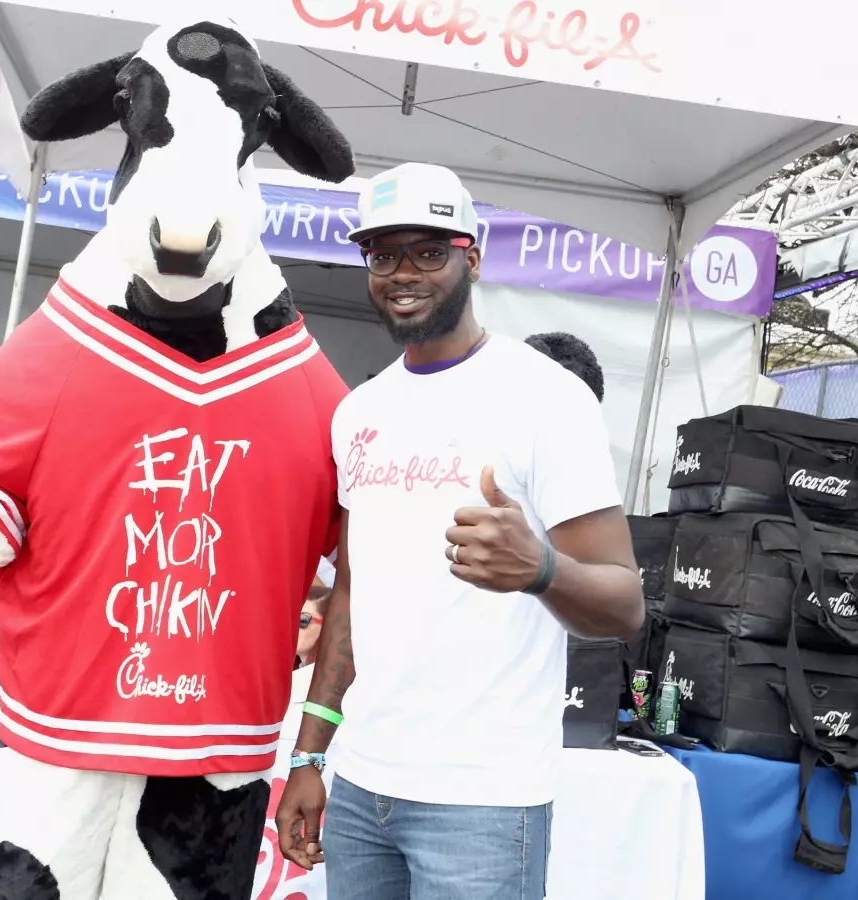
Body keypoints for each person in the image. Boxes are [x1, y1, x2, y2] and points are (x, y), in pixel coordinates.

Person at [275, 162, 645, 900]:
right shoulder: (360, 412)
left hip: (483, 799)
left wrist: (541, 568)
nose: (402, 274)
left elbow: (625, 603)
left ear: (472, 256)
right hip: (360, 788)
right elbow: (353, 591)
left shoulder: (548, 398)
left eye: (427, 252)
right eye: (383, 255)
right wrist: (310, 754)